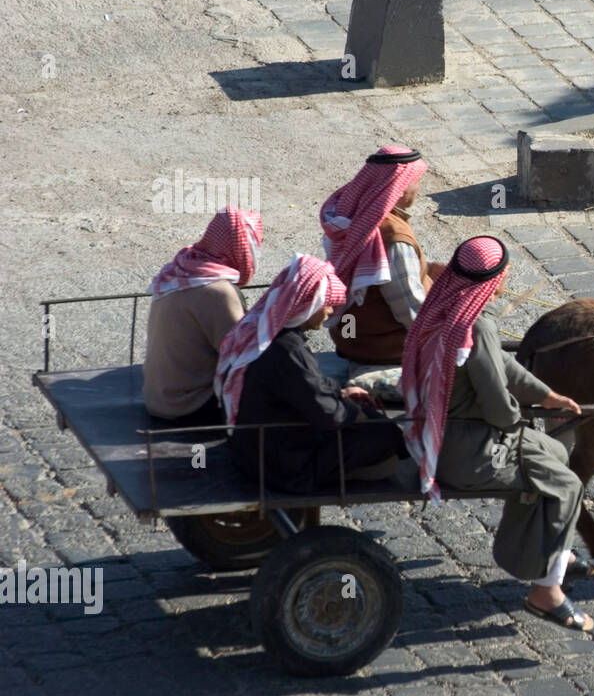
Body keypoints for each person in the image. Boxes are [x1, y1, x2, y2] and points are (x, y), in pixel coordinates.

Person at [401, 236, 594, 632]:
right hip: (470, 452)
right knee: (568, 484)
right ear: (494, 281)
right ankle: (546, 591)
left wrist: (547, 396)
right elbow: (497, 407)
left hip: (441, 437)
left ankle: (548, 555)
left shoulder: (442, 310)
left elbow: (501, 368)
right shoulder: (479, 325)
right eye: (505, 275)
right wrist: (520, 421)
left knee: (554, 454)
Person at [215, 254, 409, 495]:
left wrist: (341, 393)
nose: (329, 311)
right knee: (386, 433)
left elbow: (305, 386)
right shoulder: (289, 350)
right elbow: (327, 413)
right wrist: (354, 412)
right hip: (282, 464)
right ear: (309, 304)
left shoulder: (261, 328)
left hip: (253, 450)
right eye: (326, 304)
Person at [321, 145, 435, 402]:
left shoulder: (353, 213)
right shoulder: (393, 237)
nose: (419, 188)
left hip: (352, 339)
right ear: (401, 187)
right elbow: (411, 310)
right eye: (417, 182)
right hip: (384, 348)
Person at [143, 206, 263, 425]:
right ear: (242, 247)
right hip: (190, 406)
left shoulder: (182, 269)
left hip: (158, 399)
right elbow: (243, 356)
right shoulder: (218, 291)